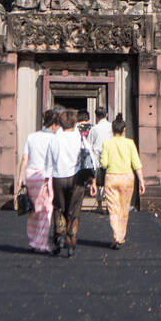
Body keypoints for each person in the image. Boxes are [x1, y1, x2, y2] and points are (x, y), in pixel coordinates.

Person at [48, 109, 97, 258]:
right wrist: (92, 180)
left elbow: (49, 159)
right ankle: (71, 243)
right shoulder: (80, 138)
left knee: (59, 208)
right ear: (75, 123)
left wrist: (46, 180)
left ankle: (59, 237)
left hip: (58, 177)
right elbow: (90, 159)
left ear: (60, 123)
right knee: (74, 211)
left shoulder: (55, 138)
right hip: (76, 178)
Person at [15, 109, 58, 253]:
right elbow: (52, 160)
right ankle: (41, 242)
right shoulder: (53, 139)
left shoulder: (31, 137)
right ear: (54, 124)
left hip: (30, 175)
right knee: (46, 209)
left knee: (33, 210)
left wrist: (20, 178)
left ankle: (32, 240)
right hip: (44, 176)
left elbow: (25, 159)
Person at [99, 114, 144, 249]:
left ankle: (116, 235)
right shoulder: (130, 143)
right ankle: (120, 236)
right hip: (127, 177)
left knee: (113, 208)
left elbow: (104, 163)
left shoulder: (107, 144)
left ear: (112, 130)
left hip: (111, 177)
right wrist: (141, 181)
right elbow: (136, 163)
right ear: (124, 129)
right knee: (124, 209)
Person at [87, 107, 113, 211]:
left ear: (96, 116)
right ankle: (108, 205)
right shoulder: (111, 127)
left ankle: (99, 205)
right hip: (109, 156)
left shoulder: (94, 128)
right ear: (106, 114)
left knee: (98, 182)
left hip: (97, 157)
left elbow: (89, 144)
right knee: (109, 181)